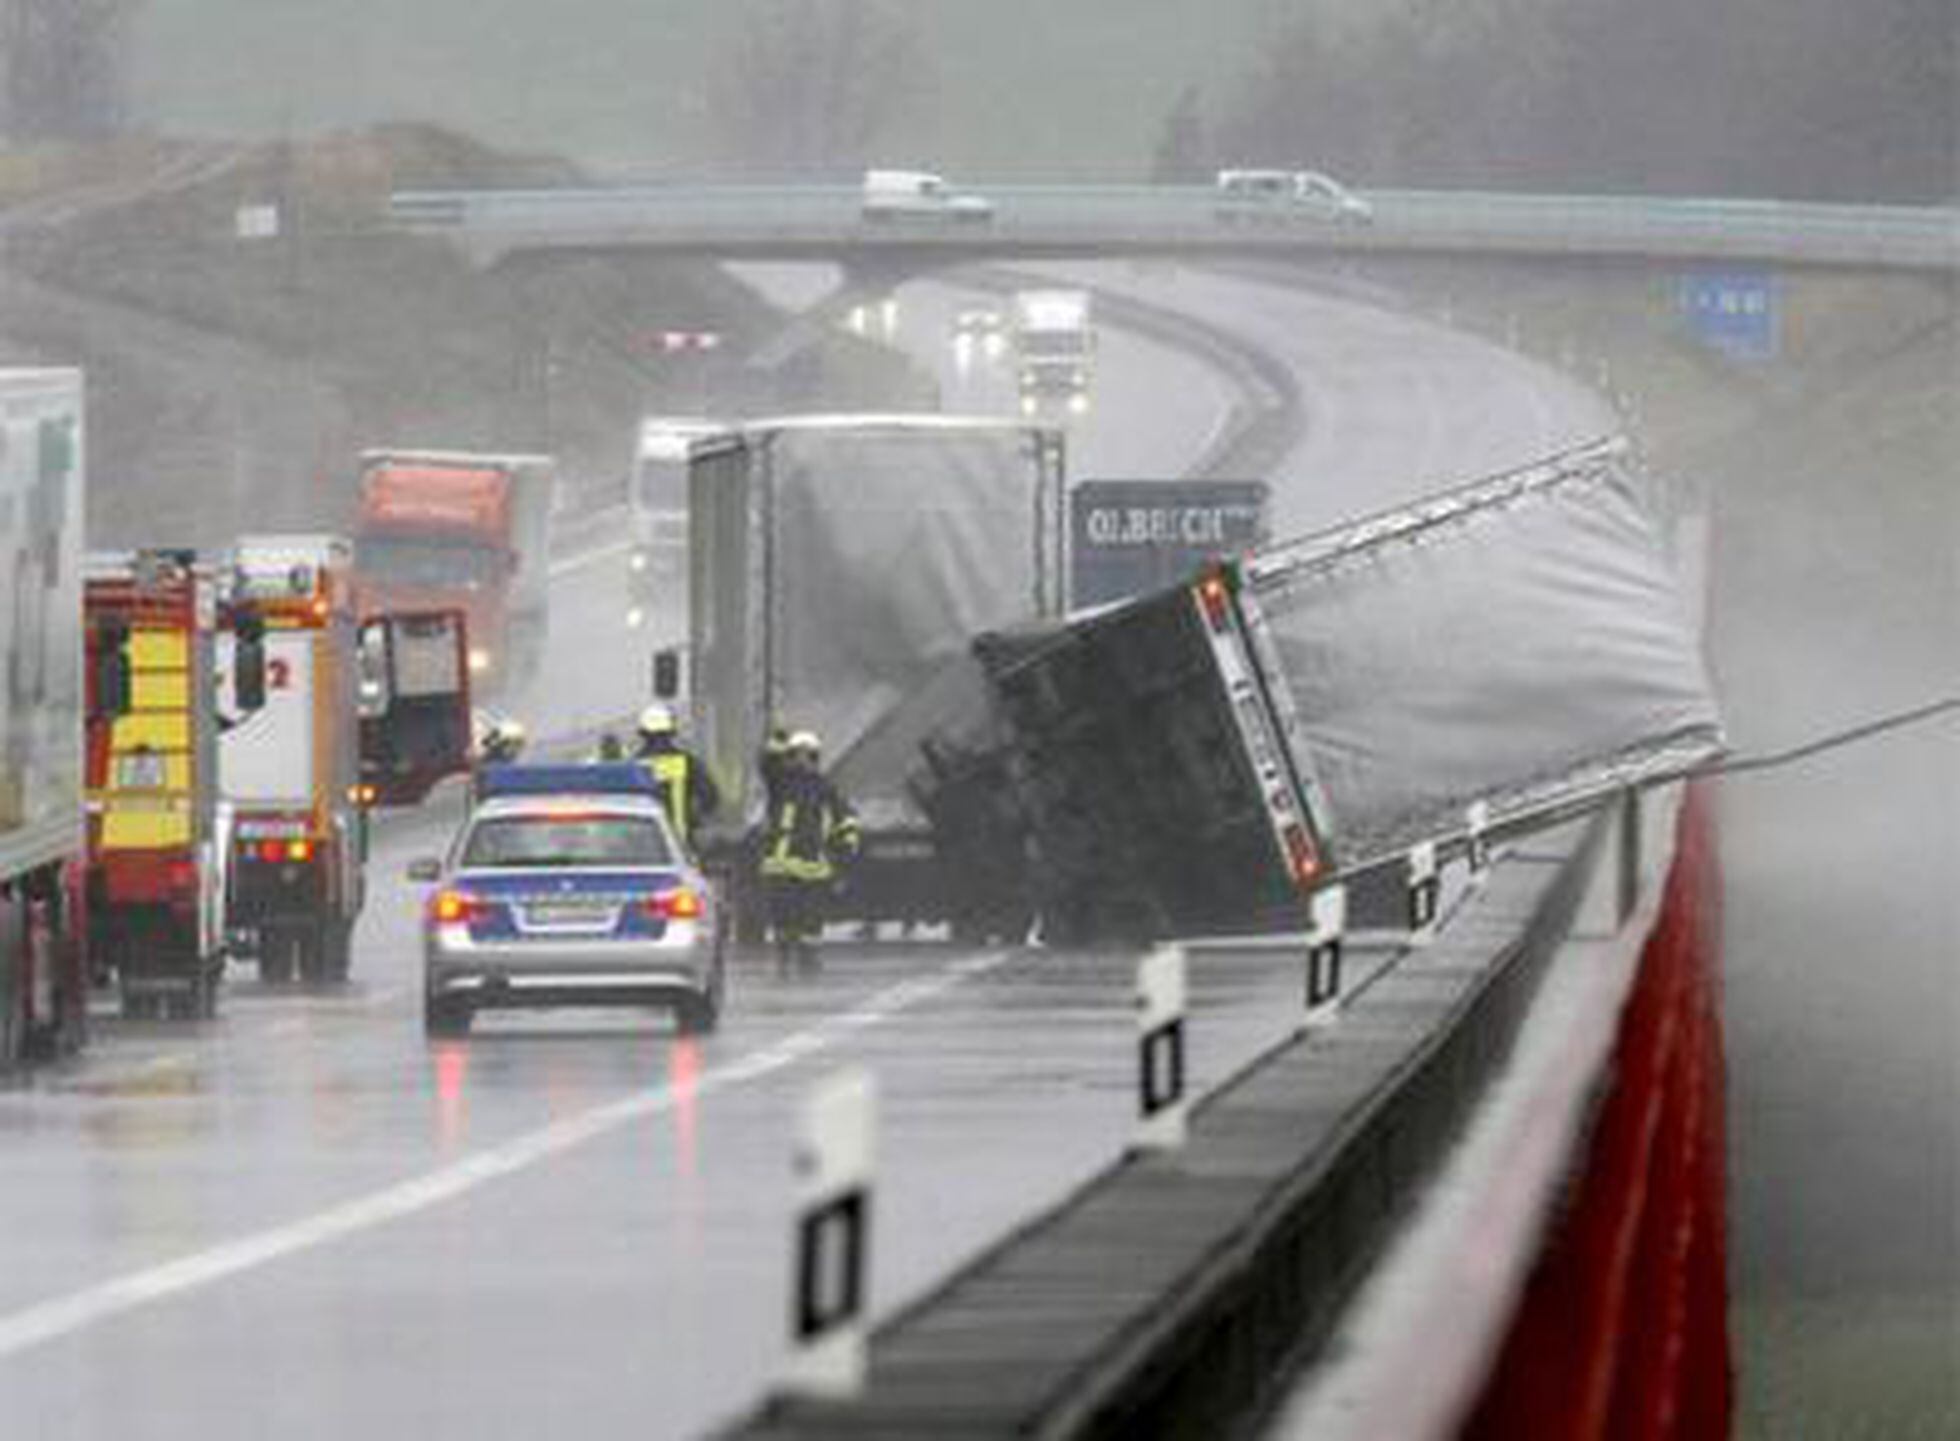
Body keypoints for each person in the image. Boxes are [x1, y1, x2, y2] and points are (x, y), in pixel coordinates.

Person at [758, 730, 860, 975]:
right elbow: (767, 763)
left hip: (812, 863)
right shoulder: (779, 782)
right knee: (782, 914)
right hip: (780, 863)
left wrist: (846, 851)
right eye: (796, 755)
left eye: (808, 756)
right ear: (789, 757)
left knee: (811, 915)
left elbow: (845, 819)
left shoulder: (824, 787)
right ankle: (783, 958)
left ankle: (809, 958)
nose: (802, 761)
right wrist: (777, 741)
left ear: (815, 758)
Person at [633, 703, 720, 847]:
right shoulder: (688, 762)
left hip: (646, 846)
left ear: (644, 734)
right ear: (671, 733)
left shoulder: (635, 766)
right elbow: (710, 796)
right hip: (683, 844)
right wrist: (694, 817)